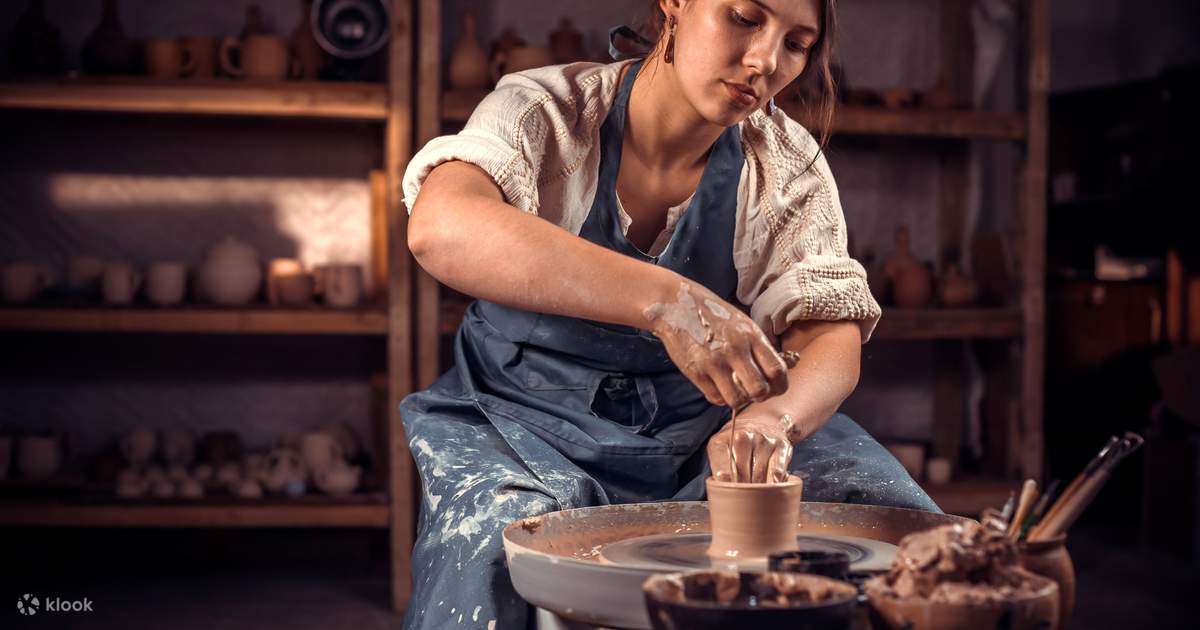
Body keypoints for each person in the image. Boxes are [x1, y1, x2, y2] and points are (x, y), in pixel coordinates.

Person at [399, 1, 938, 627]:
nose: (764, 61)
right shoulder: (546, 109)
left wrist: (772, 422)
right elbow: (440, 229)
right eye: (743, 17)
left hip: (702, 436)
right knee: (492, 546)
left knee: (896, 525)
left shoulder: (784, 163)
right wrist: (667, 301)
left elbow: (829, 334)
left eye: (796, 43)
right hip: (516, 423)